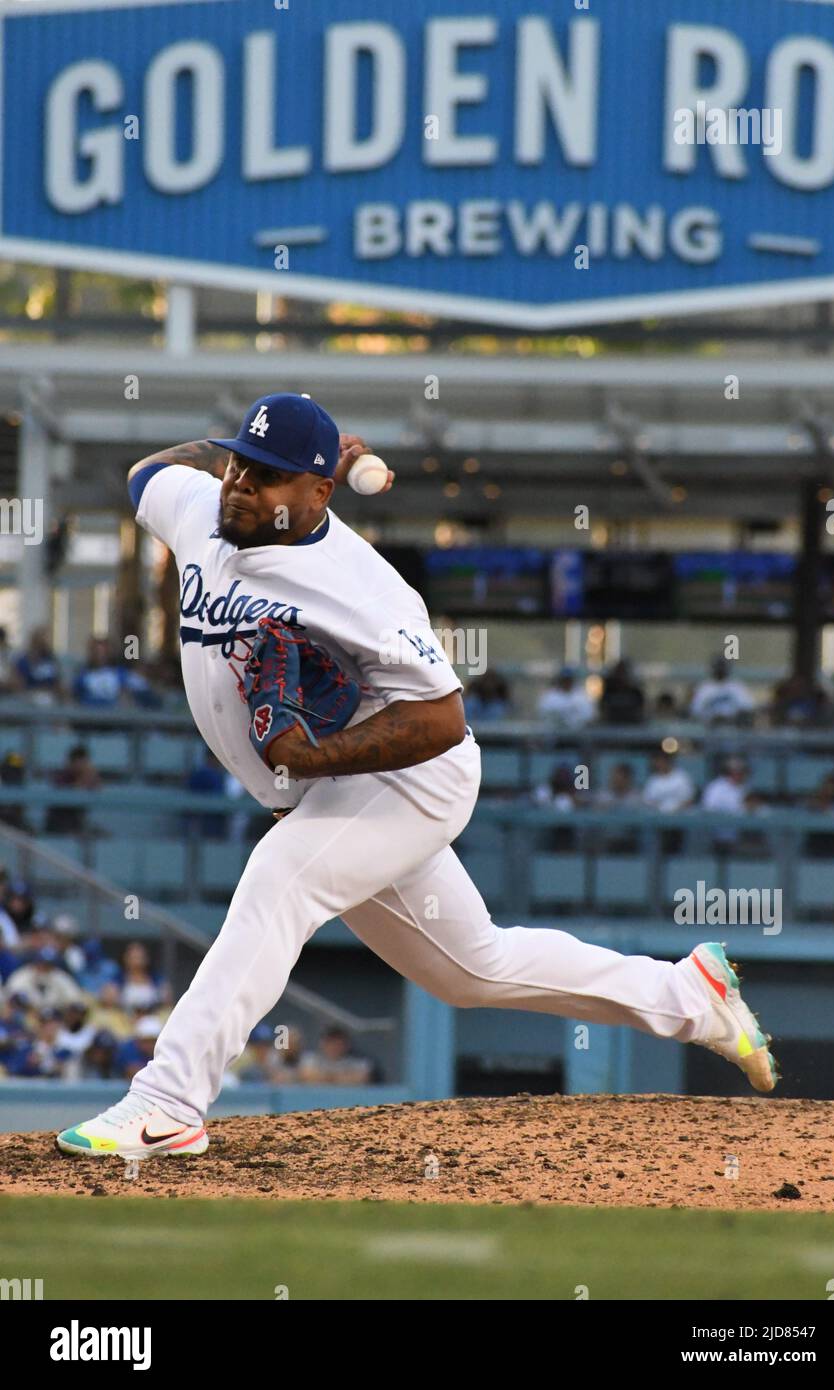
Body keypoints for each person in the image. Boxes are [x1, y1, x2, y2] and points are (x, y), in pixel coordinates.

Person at [56, 394, 777, 1160]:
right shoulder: (207, 507)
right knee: (473, 969)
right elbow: (145, 476)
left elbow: (441, 720)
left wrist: (317, 757)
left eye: (265, 476)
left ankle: (168, 1103)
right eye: (238, 463)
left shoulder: (363, 588)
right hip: (327, 791)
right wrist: (231, 448)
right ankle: (691, 997)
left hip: (415, 779)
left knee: (279, 880)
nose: (240, 483)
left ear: (316, 494)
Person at [44, 744, 102, 834]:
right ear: (72, 762)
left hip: (78, 824)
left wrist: (92, 778)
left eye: (86, 762)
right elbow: (73, 795)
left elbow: (98, 793)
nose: (85, 765)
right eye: (81, 762)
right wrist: (85, 778)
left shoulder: (89, 777)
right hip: (59, 826)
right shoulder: (62, 778)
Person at [296, 1026, 375, 1085]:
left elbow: (362, 1078)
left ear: (347, 1045)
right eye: (330, 1042)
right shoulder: (311, 1059)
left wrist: (326, 1077)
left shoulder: (358, 1062)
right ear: (322, 1044)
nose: (334, 1047)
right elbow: (306, 1076)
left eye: (339, 1043)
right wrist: (341, 1078)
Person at [690, 657, 754, 725]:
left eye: (722, 667)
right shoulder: (704, 688)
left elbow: (747, 708)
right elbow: (696, 711)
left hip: (732, 727)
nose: (720, 670)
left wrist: (729, 718)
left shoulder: (736, 686)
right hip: (709, 729)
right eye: (718, 667)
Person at [13, 627, 63, 701]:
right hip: (29, 697)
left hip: (50, 696)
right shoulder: (23, 661)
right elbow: (19, 684)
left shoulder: (51, 660)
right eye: (38, 642)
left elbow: (57, 682)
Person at [599, 659, 645, 725]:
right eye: (619, 672)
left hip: (632, 727)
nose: (621, 676)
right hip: (611, 727)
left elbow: (642, 711)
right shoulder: (609, 691)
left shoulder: (636, 692)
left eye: (623, 673)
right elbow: (602, 710)